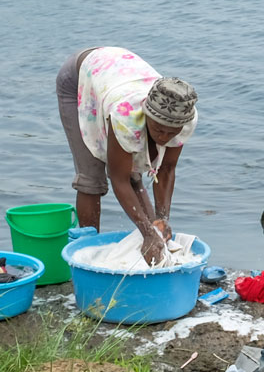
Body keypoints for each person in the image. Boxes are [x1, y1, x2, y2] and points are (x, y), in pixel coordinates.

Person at [55, 46, 198, 264]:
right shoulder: (127, 116)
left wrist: (161, 220)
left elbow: (166, 168)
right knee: (91, 178)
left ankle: (156, 242)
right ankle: (87, 255)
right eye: (158, 129)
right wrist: (146, 231)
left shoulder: (185, 117)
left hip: (117, 74)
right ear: (146, 115)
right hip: (79, 78)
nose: (164, 138)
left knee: (134, 173)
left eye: (172, 133)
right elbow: (118, 178)